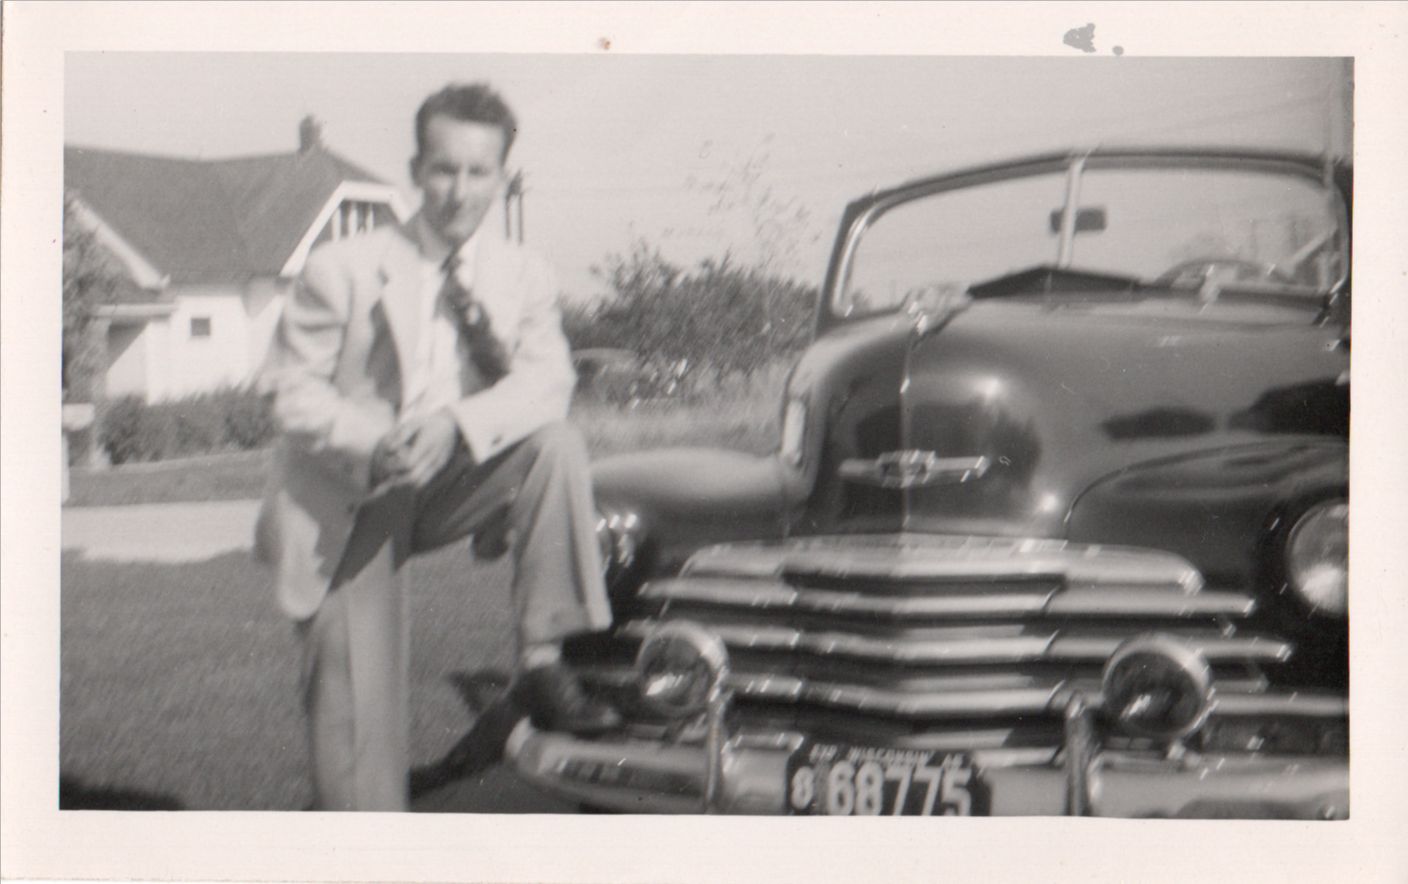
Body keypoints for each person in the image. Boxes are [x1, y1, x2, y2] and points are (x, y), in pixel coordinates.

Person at [253, 83, 618, 812]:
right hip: (353, 490)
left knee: (556, 445)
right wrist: (376, 443)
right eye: (444, 170)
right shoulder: (343, 267)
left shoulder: (523, 273)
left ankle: (544, 656)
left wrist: (456, 423)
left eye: (478, 173)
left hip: (455, 477)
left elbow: (549, 380)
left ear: (502, 177)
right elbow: (288, 392)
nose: (459, 191)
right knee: (358, 736)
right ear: (417, 169)